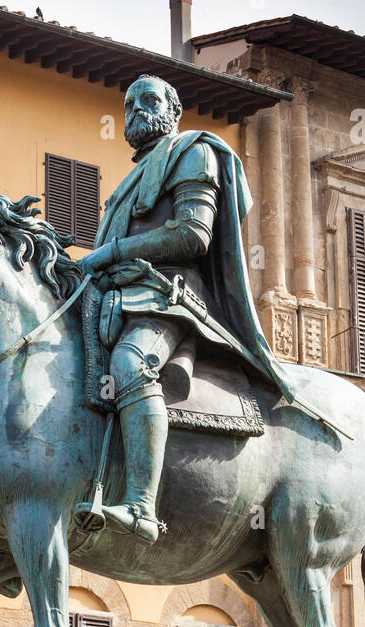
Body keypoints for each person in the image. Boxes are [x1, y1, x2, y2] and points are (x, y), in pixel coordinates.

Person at [76, 74, 332, 544]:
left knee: (130, 365)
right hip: (115, 296)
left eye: (148, 100)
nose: (135, 110)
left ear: (173, 110)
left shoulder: (195, 151)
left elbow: (193, 234)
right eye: (129, 103)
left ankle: (140, 505)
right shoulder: (127, 181)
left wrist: (113, 252)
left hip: (166, 295)